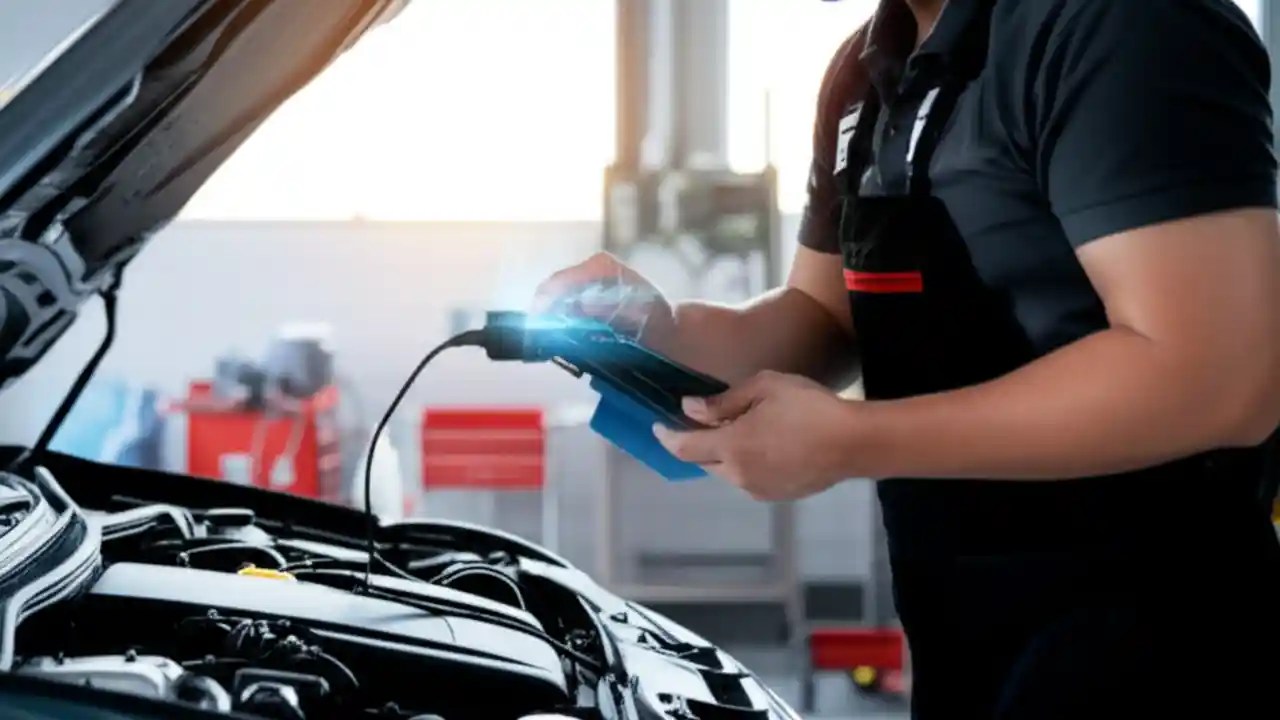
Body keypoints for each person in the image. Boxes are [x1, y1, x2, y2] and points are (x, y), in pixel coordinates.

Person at [534, 0, 1280, 716]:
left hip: (1160, 644)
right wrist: (659, 331)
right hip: (966, 635)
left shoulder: (1123, 25)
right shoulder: (866, 70)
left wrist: (856, 441)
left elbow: (1219, 377)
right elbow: (824, 317)